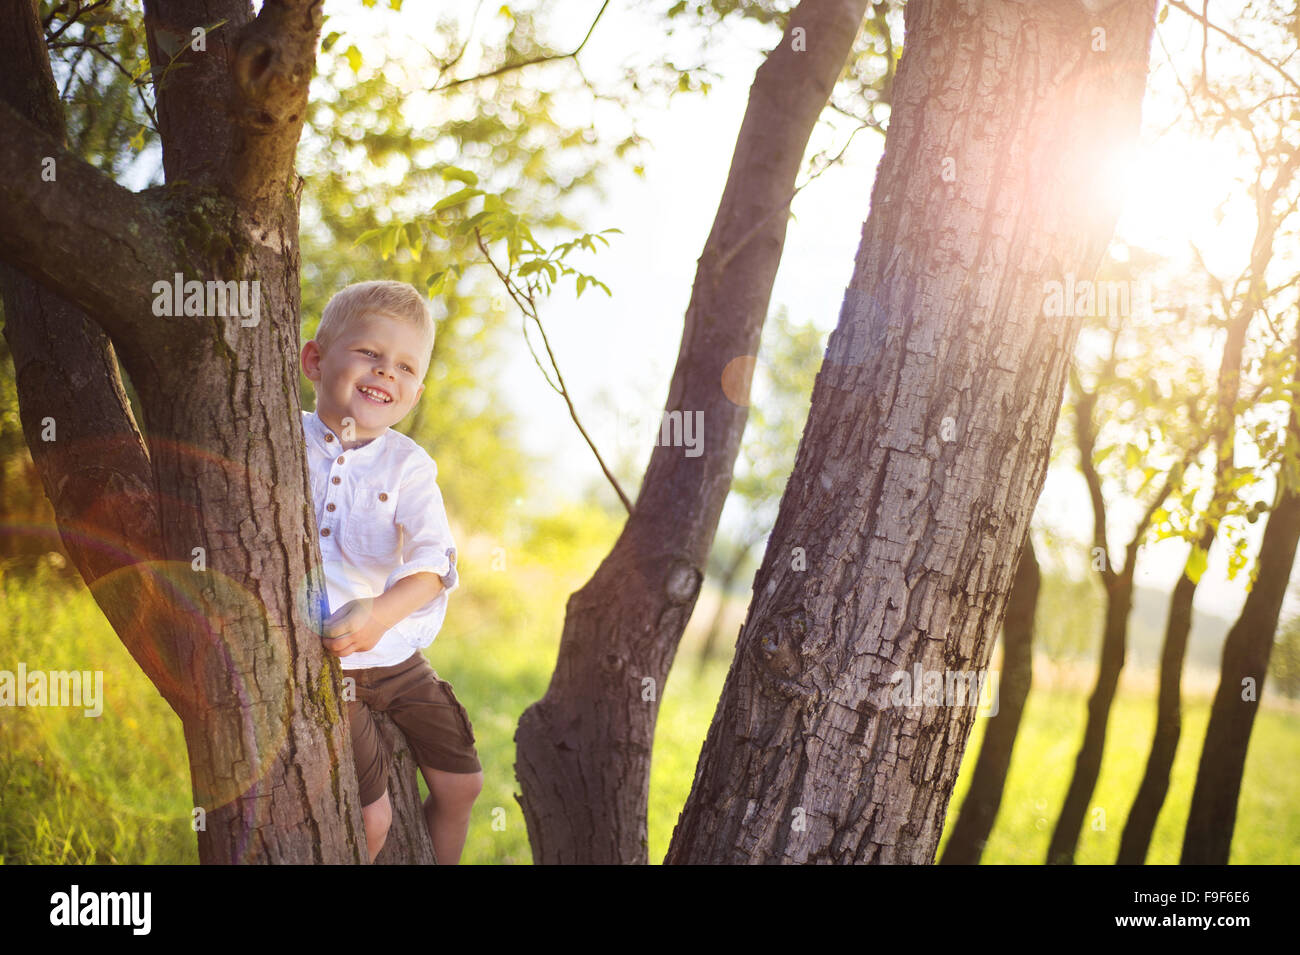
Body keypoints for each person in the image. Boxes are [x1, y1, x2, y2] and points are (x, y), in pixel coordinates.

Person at [299, 279, 482, 863]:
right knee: (371, 819)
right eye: (370, 354)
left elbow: (435, 563)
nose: (385, 374)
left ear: (416, 392)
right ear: (315, 359)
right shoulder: (281, 437)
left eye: (404, 367)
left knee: (463, 785)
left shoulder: (408, 465)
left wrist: (380, 614)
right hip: (329, 664)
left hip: (395, 654)